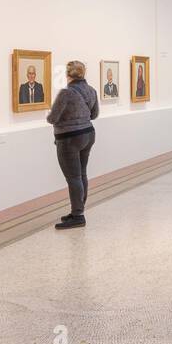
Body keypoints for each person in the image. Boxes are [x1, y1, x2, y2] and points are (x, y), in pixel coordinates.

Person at [46, 60, 99, 230]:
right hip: (88, 134)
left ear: (68, 74)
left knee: (73, 178)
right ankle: (78, 210)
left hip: (70, 138)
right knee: (81, 174)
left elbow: (52, 118)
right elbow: (95, 114)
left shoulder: (66, 93)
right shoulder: (91, 91)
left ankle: (78, 215)